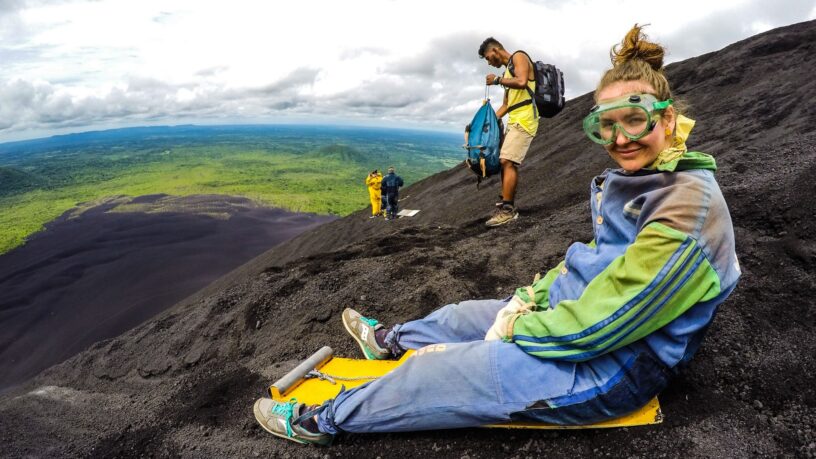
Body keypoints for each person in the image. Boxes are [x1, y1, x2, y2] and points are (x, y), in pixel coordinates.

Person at [253, 25, 741, 445]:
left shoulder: (686, 214)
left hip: (613, 366)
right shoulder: (647, 179)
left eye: (635, 120)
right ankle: (389, 341)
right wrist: (532, 296)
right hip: (580, 319)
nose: (619, 140)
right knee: (463, 316)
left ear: (668, 117)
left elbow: (603, 324)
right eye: (605, 126)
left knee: (435, 372)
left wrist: (516, 329)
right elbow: (598, 257)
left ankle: (324, 419)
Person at [479, 37, 539, 227]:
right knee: (505, 161)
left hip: (525, 118)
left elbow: (522, 81)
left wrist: (497, 80)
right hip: (514, 118)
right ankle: (503, 203)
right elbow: (506, 104)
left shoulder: (519, 57)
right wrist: (489, 120)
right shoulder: (507, 72)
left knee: (507, 160)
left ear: (495, 50)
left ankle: (507, 210)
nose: (489, 62)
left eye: (488, 57)